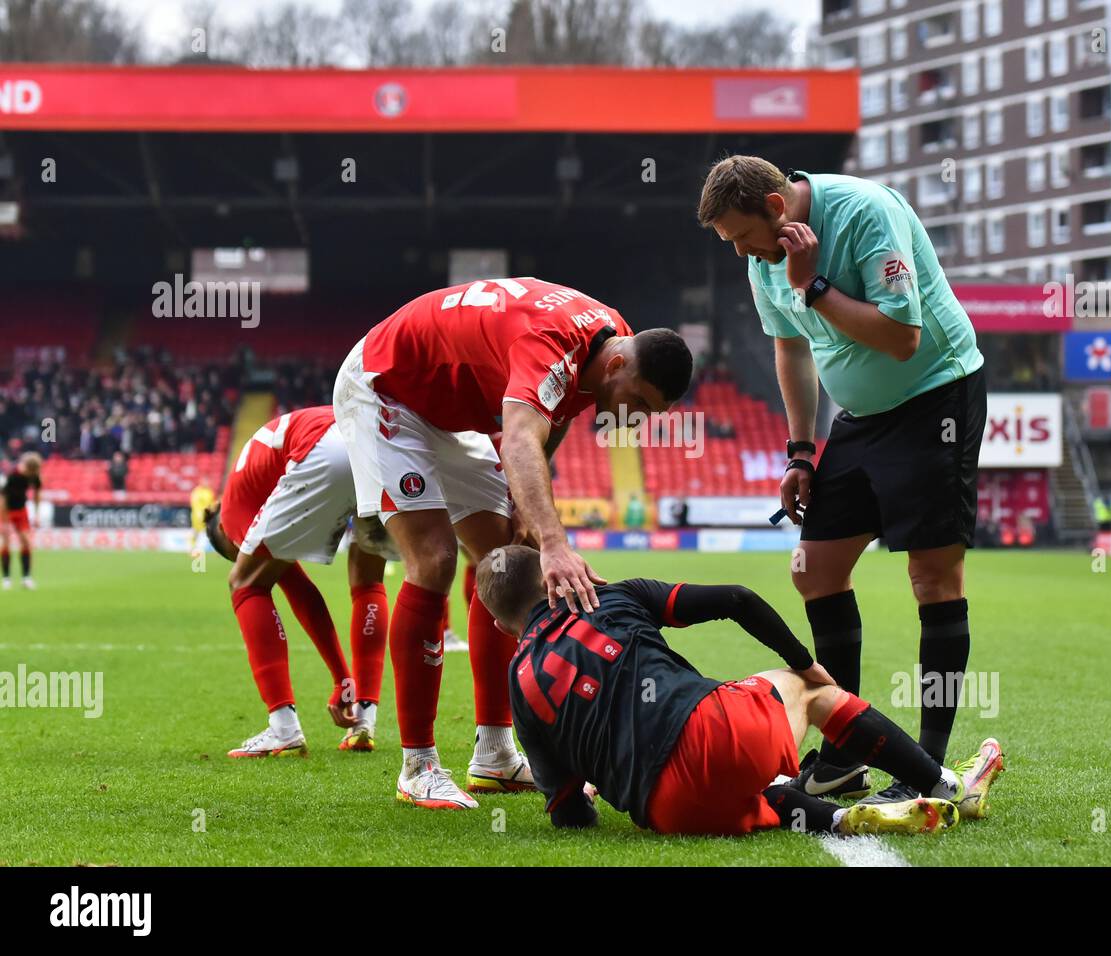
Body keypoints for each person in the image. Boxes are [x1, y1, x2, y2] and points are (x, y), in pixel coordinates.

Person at [333, 277, 692, 810]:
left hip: (447, 409)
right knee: (434, 560)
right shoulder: (550, 345)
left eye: (649, 412)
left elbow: (555, 417)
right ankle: (418, 765)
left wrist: (527, 513)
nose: (634, 417)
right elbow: (522, 435)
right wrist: (554, 540)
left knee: (505, 557)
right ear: (618, 366)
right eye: (637, 401)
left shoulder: (611, 337)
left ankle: (496, 754)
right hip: (385, 386)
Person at [697, 155, 985, 802]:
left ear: (777, 209)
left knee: (932, 576)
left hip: (935, 396)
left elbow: (903, 339)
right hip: (861, 416)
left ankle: (926, 772)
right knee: (815, 568)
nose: (741, 253)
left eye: (743, 237)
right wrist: (800, 452)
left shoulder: (864, 214)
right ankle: (846, 753)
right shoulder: (763, 258)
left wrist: (813, 286)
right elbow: (791, 347)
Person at [476, 544, 1004, 837]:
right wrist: (806, 664)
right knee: (808, 692)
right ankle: (947, 786)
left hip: (666, 811)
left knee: (763, 793)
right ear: (552, 582)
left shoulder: (519, 688)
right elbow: (737, 598)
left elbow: (568, 813)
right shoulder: (610, 598)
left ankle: (842, 820)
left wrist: (595, 787)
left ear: (504, 629)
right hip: (716, 731)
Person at [205, 405, 391, 757]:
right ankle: (364, 719)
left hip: (325, 450)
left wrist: (340, 676)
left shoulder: (230, 515)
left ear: (224, 536)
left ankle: (283, 728)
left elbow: (299, 590)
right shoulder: (259, 474)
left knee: (246, 584)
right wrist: (344, 681)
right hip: (380, 444)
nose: (243, 549)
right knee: (368, 579)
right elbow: (302, 592)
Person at [1, 451, 41, 591]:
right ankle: (6, 578)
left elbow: (37, 493)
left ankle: (26, 578)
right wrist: (4, 521)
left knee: (26, 542)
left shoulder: (34, 475)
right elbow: (3, 497)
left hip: (21, 510)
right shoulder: (12, 474)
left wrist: (37, 514)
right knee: (6, 542)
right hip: (6, 510)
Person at [190, 477, 216, 552]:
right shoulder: (197, 491)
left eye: (207, 482)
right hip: (196, 515)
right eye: (205, 481)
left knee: (202, 531)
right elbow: (194, 503)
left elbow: (211, 504)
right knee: (196, 531)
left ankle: (197, 548)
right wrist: (198, 512)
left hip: (205, 515)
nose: (206, 483)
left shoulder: (209, 492)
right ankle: (193, 547)